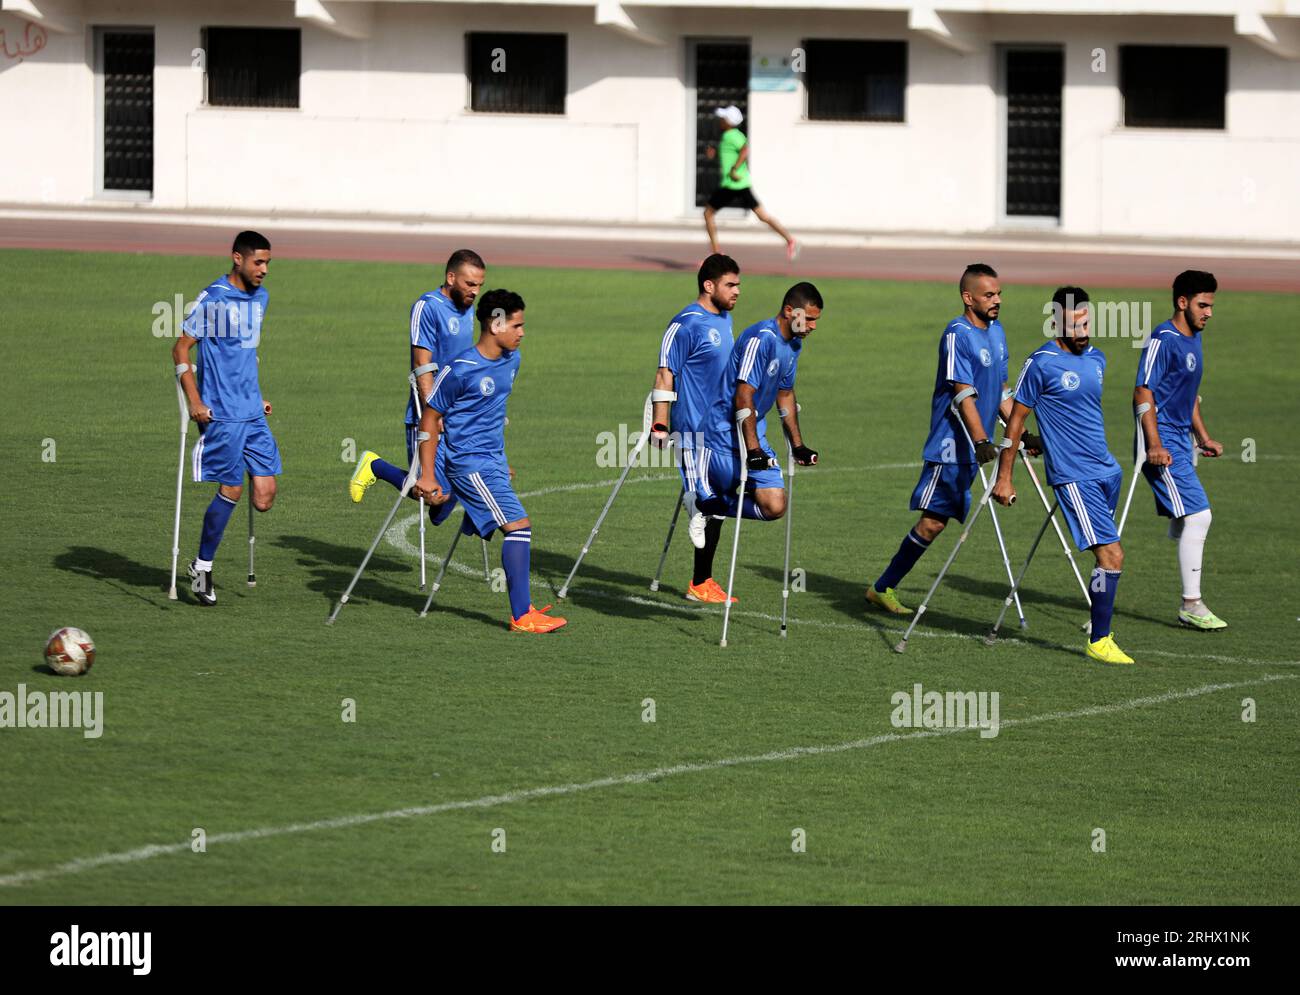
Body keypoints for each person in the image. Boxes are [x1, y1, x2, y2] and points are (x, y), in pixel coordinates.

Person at [357, 290, 565, 633]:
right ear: (495, 324)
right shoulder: (460, 369)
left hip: (491, 460)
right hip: (468, 464)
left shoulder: (513, 360)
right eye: (517, 325)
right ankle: (522, 615)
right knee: (518, 526)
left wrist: (501, 460)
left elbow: (491, 414)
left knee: (444, 510)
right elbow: (429, 420)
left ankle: (522, 607)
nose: (523, 332)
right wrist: (426, 473)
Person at [866, 263, 1040, 615]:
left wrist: (1020, 433)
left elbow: (1003, 390)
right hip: (950, 445)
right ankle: (882, 587)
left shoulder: (997, 331)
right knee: (932, 522)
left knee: (936, 523)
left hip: (975, 447)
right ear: (968, 297)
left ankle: (882, 587)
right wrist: (981, 440)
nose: (997, 301)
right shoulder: (957, 334)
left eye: (999, 294)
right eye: (989, 295)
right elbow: (962, 393)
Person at [994, 287, 1134, 665]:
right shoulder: (1041, 363)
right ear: (1056, 321)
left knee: (1106, 555)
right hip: (1073, 476)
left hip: (1107, 471)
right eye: (1075, 323)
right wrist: (1004, 477)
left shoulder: (1098, 358)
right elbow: (1016, 421)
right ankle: (1100, 640)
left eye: (1087, 321)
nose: (1084, 329)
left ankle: (1097, 621)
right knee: (1111, 554)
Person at [691, 283, 822, 594]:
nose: (814, 327)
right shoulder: (760, 339)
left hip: (754, 432)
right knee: (720, 502)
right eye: (810, 319)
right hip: (722, 433)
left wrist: (798, 445)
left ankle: (707, 504)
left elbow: (785, 394)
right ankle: (700, 582)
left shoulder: (793, 347)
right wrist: (752, 450)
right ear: (790, 311)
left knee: (774, 505)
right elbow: (743, 396)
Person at [172, 230, 280, 607]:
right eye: (258, 262)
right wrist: (195, 401)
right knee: (233, 487)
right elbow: (181, 348)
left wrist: (256, 393)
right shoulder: (213, 299)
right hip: (220, 412)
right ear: (238, 259)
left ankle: (204, 559)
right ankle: (201, 567)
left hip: (251, 409)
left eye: (268, 262)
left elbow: (244, 353)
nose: (264, 270)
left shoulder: (261, 297)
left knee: (264, 495)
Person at [349, 249, 485, 523]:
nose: (475, 291)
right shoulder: (428, 306)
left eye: (479, 285)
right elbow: (422, 366)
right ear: (450, 277)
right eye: (470, 284)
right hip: (429, 415)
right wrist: (434, 413)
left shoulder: (468, 308)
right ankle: (375, 465)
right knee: (434, 493)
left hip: (459, 414)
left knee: (445, 503)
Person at [1133, 270, 1226, 630]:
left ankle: (1178, 530)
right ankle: (1192, 604)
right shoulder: (1163, 338)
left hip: (1182, 443)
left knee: (1185, 520)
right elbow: (1143, 392)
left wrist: (1203, 437)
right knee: (1199, 516)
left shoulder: (1194, 339)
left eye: (1212, 305)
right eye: (1203, 305)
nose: (1209, 313)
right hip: (1162, 442)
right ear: (1182, 302)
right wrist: (1153, 445)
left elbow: (1188, 397)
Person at [650, 254, 739, 602]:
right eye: (731, 285)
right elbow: (664, 373)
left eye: (737, 285)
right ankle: (694, 502)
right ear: (709, 285)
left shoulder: (725, 319)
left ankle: (701, 582)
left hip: (721, 430)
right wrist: (660, 424)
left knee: (719, 502)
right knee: (708, 499)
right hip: (692, 431)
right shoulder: (685, 324)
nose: (737, 292)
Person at [704, 105, 798, 261]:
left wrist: (734, 169)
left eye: (723, 118)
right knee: (763, 216)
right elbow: (731, 155)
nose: (720, 120)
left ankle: (716, 255)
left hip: (732, 184)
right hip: (739, 184)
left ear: (728, 121)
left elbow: (745, 150)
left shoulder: (732, 135)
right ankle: (790, 240)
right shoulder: (729, 135)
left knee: (708, 214)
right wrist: (714, 155)